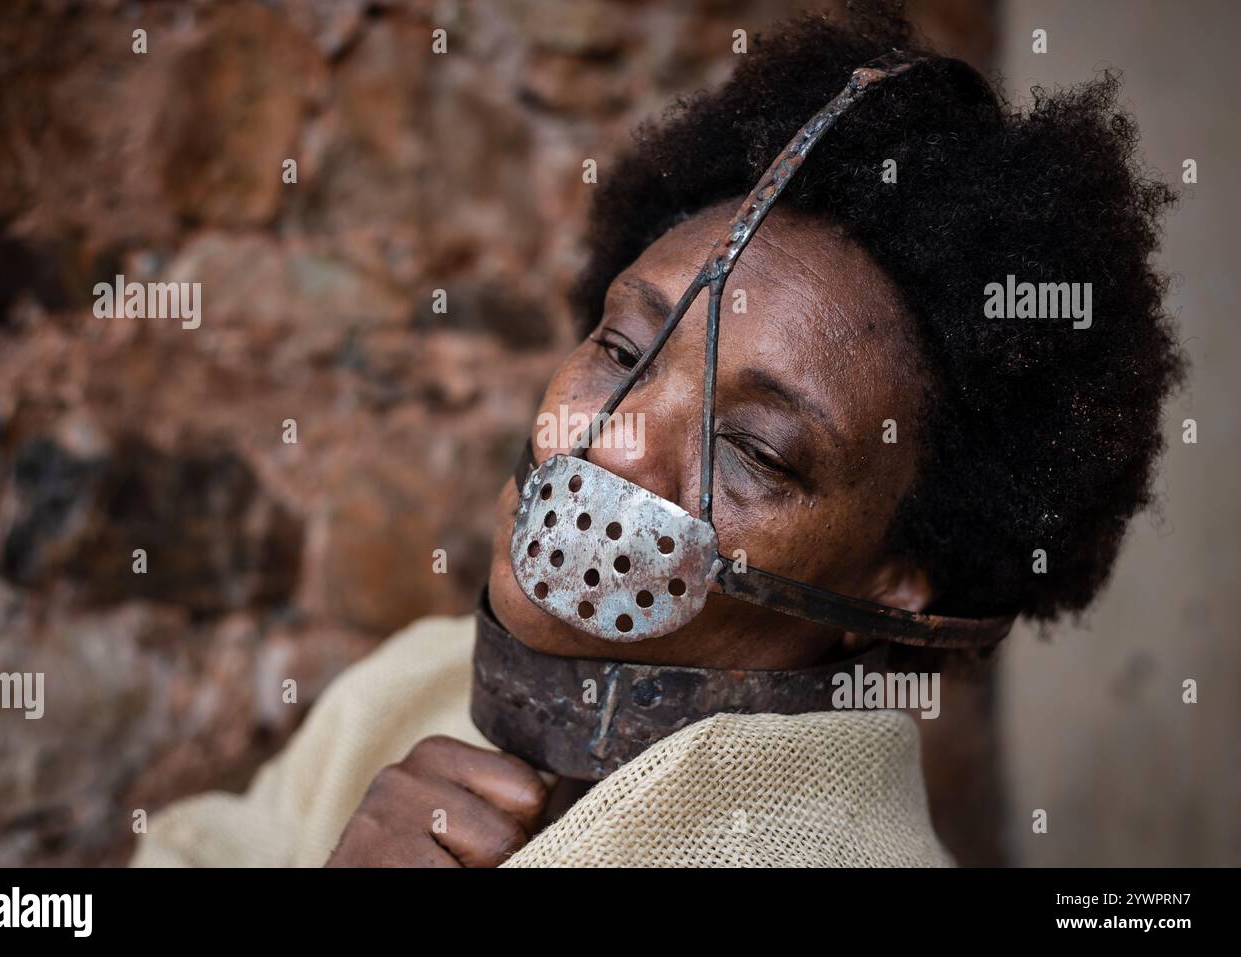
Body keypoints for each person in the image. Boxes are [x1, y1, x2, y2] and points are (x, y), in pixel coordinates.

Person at [131, 6, 1183, 868]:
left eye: (757, 451)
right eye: (622, 348)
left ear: (901, 581)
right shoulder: (412, 679)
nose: (618, 444)